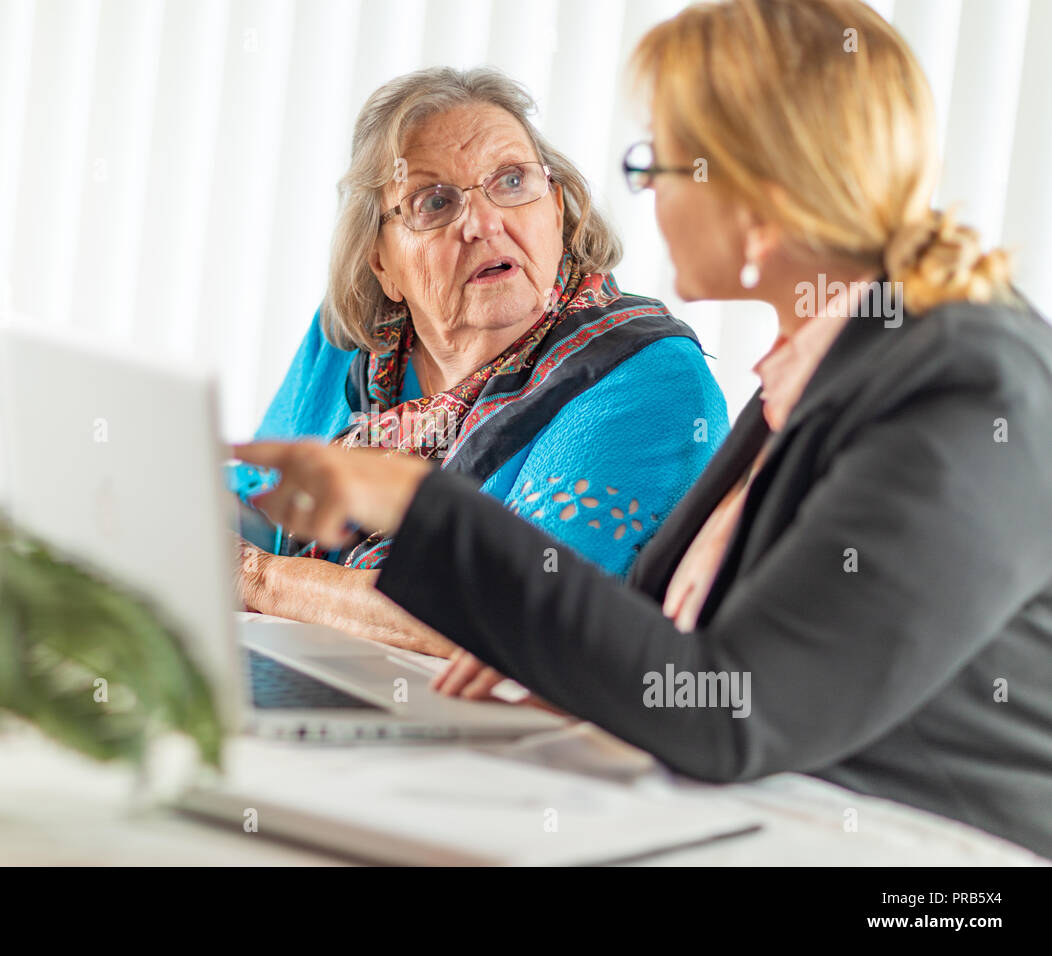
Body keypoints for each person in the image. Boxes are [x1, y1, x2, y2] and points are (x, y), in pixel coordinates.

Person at [235, 0, 1052, 858]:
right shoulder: (818, 367)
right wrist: (546, 651)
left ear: (758, 194)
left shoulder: (970, 386)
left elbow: (733, 711)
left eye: (660, 162)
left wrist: (410, 498)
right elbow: (671, 637)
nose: (645, 191)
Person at [233, 66, 727, 657]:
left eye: (513, 181)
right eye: (435, 201)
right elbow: (249, 507)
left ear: (559, 210)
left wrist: (259, 580)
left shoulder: (646, 379)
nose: (485, 222)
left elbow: (511, 616)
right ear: (382, 265)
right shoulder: (349, 341)